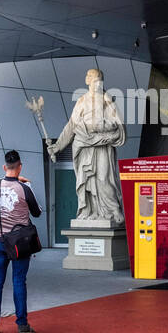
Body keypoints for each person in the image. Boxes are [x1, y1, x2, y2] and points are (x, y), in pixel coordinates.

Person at [45, 68, 126, 226]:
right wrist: (57, 147)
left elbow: (117, 124)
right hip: (84, 145)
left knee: (104, 178)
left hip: (101, 145)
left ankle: (113, 210)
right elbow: (71, 126)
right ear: (87, 80)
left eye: (98, 79)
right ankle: (88, 211)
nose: (95, 81)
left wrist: (104, 134)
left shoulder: (106, 98)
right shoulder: (82, 100)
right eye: (92, 77)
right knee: (85, 180)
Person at [0, 150, 42, 333]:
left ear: (4, 167)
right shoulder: (25, 189)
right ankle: (22, 325)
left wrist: (11, 177)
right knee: (19, 281)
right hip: (19, 243)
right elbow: (37, 212)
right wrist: (27, 184)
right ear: (20, 167)